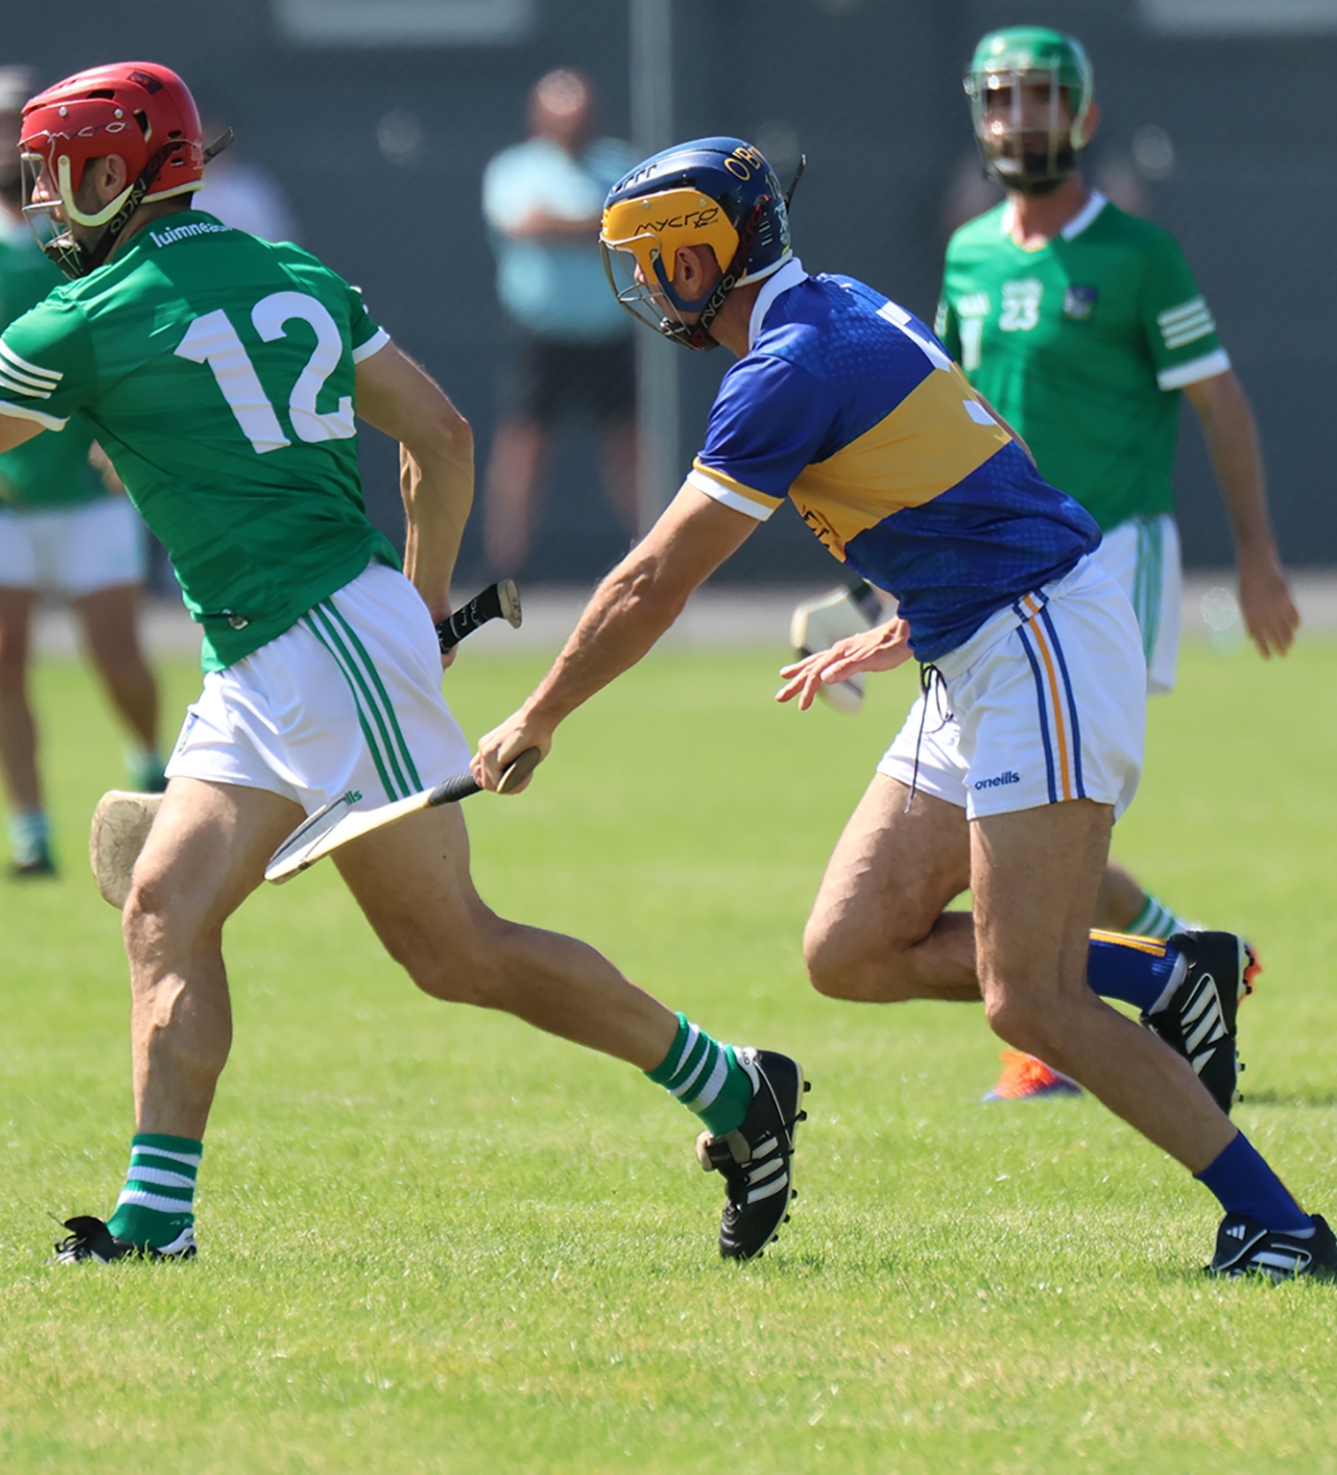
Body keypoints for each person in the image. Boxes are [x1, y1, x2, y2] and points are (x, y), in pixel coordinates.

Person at [0, 61, 807, 1267]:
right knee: (166, 911)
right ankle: (154, 1221)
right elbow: (440, 437)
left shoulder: (86, 319)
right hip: (286, 648)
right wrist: (420, 598)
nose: (42, 203)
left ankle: (734, 1089)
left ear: (122, 172)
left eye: (60, 176)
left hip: (319, 639)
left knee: (455, 952)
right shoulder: (297, 273)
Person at [472, 137, 1331, 1280]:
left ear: (711, 254)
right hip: (978, 636)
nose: (643, 281)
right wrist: (911, 617)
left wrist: (539, 714)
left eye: (656, 254)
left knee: (1029, 1002)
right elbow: (976, 467)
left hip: (1039, 641)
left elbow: (651, 581)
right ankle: (1170, 976)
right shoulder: (830, 308)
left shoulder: (784, 368)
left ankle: (1278, 1222)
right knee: (850, 949)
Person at [807, 28, 1299, 1101]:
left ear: (1081, 116)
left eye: (1040, 99)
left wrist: (1258, 558)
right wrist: (889, 578)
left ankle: (1055, 1027)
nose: (1019, 119)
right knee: (1015, 802)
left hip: (1108, 554)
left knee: (1038, 803)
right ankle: (1183, 956)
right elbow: (936, 420)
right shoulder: (971, 253)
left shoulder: (1138, 255)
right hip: (993, 571)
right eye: (1000, 100)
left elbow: (1220, 403)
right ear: (978, 117)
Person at [0, 64, 170, 878]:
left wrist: (122, 429)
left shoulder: (87, 226)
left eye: (7, 128)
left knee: (117, 657)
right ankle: (29, 832)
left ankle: (149, 764)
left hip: (86, 484)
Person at [481, 69, 639, 575]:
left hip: (610, 333)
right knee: (524, 447)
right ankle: (504, 565)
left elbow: (636, 227)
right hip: (539, 336)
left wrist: (562, 225)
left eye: (580, 116)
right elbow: (523, 223)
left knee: (630, 447)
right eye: (560, 117)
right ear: (540, 117)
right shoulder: (515, 168)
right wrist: (597, 224)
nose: (571, 127)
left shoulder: (622, 163)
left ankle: (656, 554)